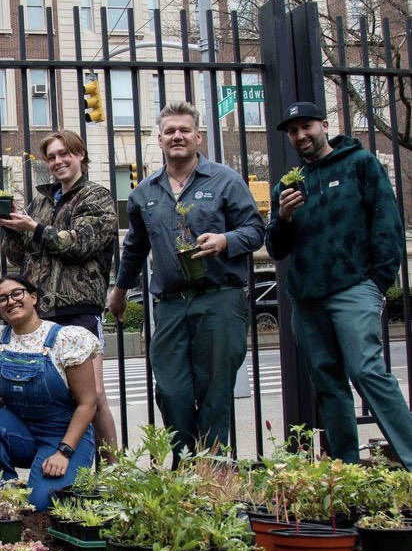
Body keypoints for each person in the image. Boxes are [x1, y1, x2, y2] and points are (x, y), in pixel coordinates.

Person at [107, 101, 265, 463]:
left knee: (215, 392)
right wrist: (118, 291)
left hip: (220, 299)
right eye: (169, 131)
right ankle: (183, 467)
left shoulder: (226, 180)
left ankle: (209, 474)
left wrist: (225, 241)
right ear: (159, 139)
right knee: (171, 390)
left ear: (198, 136)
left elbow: (256, 231)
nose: (177, 136)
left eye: (184, 130)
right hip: (171, 304)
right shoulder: (143, 193)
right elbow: (134, 247)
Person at [266, 101, 412, 466]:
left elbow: (387, 225)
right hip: (307, 298)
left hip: (353, 287)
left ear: (324, 125)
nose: (300, 135)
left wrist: (377, 282)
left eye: (306, 127)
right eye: (293, 131)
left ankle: (410, 457)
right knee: (327, 383)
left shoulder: (360, 164)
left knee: (366, 370)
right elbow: (275, 248)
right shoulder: (288, 184)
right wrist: (282, 217)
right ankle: (347, 469)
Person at [0, 130, 118, 456]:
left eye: (65, 153)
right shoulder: (40, 202)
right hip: (42, 315)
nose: (58, 161)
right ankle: (68, 469)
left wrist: (33, 229)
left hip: (78, 309)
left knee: (93, 397)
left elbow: (80, 243)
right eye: (51, 157)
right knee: (53, 397)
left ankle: (113, 474)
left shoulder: (97, 196)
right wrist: (10, 227)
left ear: (80, 155)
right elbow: (19, 257)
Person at [0, 274, 98, 510]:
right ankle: (5, 489)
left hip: (63, 436)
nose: (11, 301)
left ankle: (47, 482)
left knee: (43, 505)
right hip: (21, 433)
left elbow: (88, 403)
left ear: (33, 297)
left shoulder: (66, 340)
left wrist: (63, 453)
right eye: (2, 299)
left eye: (17, 294)